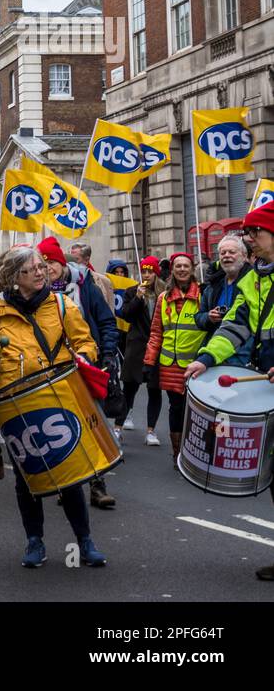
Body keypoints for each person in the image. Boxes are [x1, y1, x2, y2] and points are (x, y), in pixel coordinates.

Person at [0, 245, 106, 569]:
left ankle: (85, 541)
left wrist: (85, 358)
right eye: (30, 269)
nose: (40, 272)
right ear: (13, 277)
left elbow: (86, 342)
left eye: (40, 266)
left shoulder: (62, 304)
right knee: (27, 478)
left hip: (58, 394)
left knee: (72, 472)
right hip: (17, 401)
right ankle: (34, 541)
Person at [186, 201, 274, 580]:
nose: (249, 239)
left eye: (256, 233)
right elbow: (237, 324)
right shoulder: (253, 279)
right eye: (249, 233)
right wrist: (206, 359)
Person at [37, 236, 119, 510]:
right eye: (42, 262)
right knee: (61, 426)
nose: (47, 268)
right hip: (51, 367)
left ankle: (98, 484)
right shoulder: (35, 293)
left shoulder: (85, 286)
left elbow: (107, 322)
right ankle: (68, 483)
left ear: (62, 264)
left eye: (52, 262)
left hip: (85, 363)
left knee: (92, 422)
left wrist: (107, 353)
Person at [142, 252, 205, 463]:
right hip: (169, 364)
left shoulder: (203, 295)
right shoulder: (163, 298)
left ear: (192, 268)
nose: (182, 269)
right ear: (173, 270)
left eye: (185, 266)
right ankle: (178, 454)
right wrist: (149, 361)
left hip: (196, 364)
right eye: (178, 266)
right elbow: (156, 332)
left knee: (195, 410)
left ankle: (194, 453)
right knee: (176, 408)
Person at [110, 259, 159, 446]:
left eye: (150, 272)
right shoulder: (132, 291)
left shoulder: (163, 293)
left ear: (156, 273)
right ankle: (117, 428)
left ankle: (151, 431)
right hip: (136, 346)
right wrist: (138, 298)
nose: (146, 275)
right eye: (143, 272)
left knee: (154, 389)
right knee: (129, 389)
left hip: (156, 346)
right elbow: (126, 315)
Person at [195, 233, 252, 363]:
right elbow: (198, 317)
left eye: (232, 252)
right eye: (223, 253)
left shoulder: (254, 283)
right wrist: (208, 317)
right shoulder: (212, 286)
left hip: (244, 356)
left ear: (244, 256)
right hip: (215, 352)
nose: (226, 255)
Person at [68, 241, 116, 312]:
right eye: (70, 259)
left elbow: (110, 311)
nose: (72, 263)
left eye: (76, 259)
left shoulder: (104, 282)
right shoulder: (64, 280)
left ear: (86, 260)